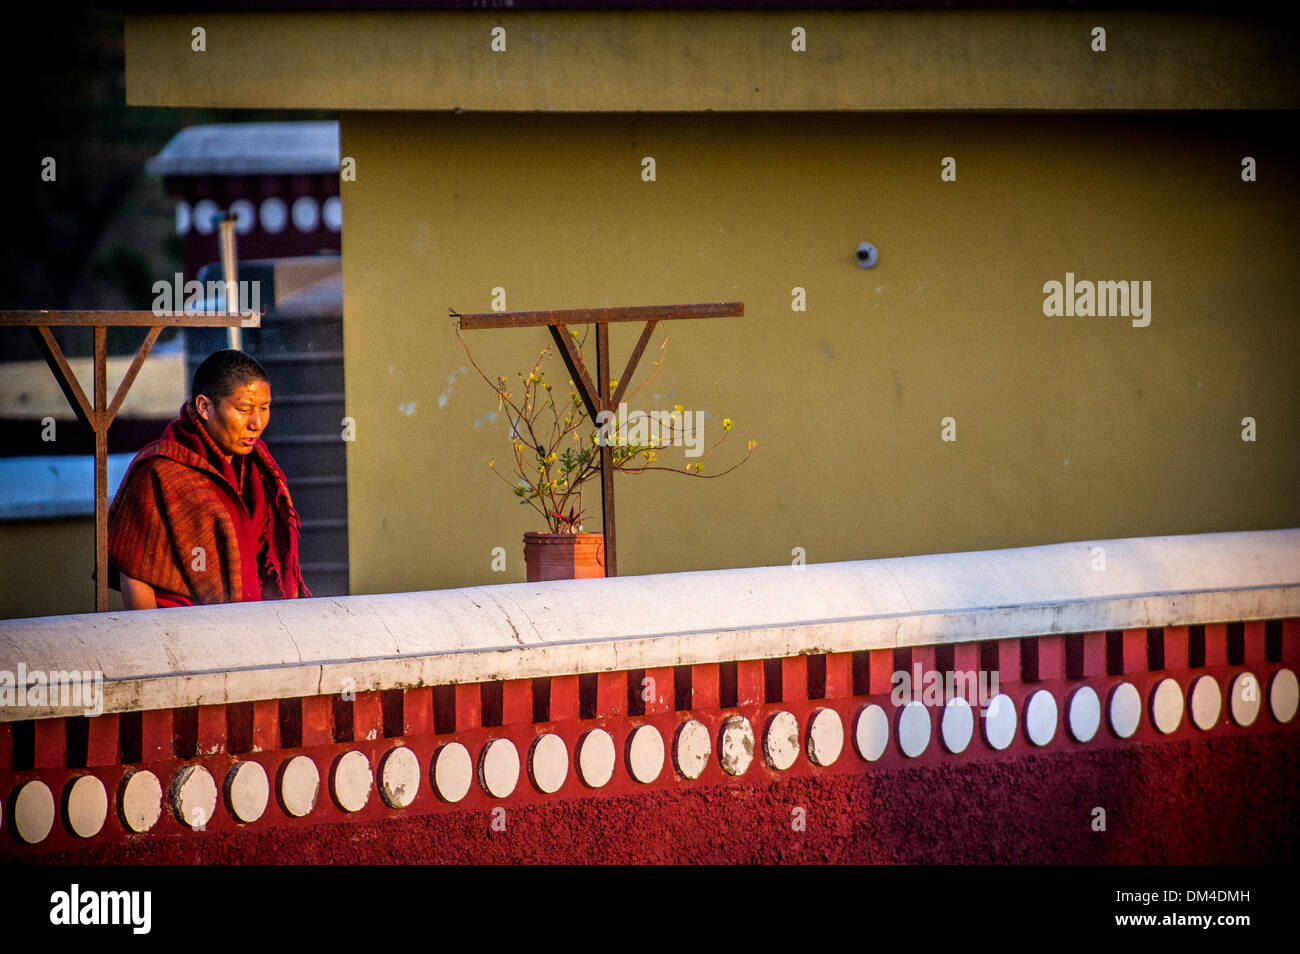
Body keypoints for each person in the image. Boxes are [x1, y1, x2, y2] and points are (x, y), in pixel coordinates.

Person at [106, 349, 311, 609]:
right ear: (204, 406)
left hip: (255, 629)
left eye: (264, 408)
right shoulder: (160, 472)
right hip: (183, 634)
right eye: (244, 408)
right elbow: (134, 573)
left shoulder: (260, 470)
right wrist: (151, 641)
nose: (256, 423)